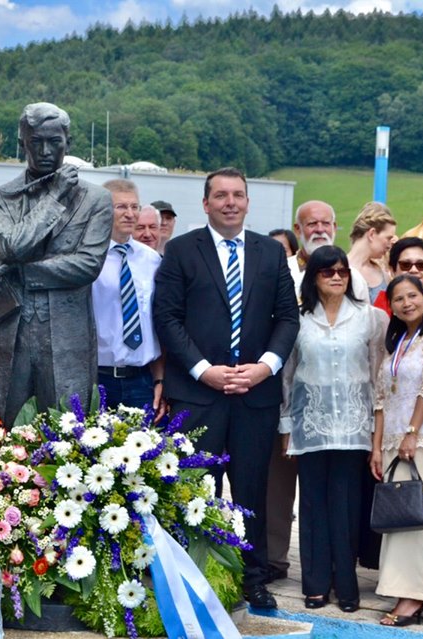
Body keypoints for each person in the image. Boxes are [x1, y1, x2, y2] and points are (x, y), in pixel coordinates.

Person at [154, 166, 300, 608]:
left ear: (248, 202)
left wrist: (265, 368)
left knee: (251, 490)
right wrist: (203, 369)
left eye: (238, 194)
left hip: (255, 394)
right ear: (206, 203)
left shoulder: (269, 254)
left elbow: (287, 318)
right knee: (196, 488)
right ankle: (194, 576)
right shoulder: (180, 250)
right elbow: (167, 317)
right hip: (199, 393)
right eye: (221, 195)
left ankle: (254, 579)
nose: (231, 202)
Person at [0, 102, 112, 425]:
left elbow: (87, 266)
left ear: (68, 143)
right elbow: (9, 246)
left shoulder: (97, 200)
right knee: (1, 439)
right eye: (37, 142)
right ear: (23, 143)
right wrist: (55, 197)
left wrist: (20, 271)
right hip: (10, 333)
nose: (46, 150)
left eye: (55, 142)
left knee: (71, 440)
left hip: (69, 337)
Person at [279, 246, 386, 612]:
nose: (337, 276)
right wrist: (286, 426)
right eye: (328, 272)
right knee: (312, 506)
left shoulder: (370, 318)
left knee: (346, 508)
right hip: (311, 425)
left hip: (355, 427)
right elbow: (288, 377)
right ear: (314, 277)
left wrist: (377, 432)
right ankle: (315, 585)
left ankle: (347, 586)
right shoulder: (298, 320)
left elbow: (378, 376)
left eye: (342, 271)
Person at [371, 274, 423, 626]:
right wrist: (378, 446)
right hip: (394, 442)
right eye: (399, 299)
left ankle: (415, 598)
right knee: (401, 518)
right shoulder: (396, 342)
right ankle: (403, 589)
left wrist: (412, 432)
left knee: (422, 519)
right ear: (392, 307)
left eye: (413, 296)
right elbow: (381, 398)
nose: (407, 303)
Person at [92, 179, 164, 414]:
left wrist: (160, 379)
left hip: (141, 379)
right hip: (97, 378)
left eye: (135, 207)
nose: (130, 214)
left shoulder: (152, 260)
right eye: (121, 207)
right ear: (103, 210)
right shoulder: (89, 259)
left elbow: (159, 323)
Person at [374, 237, 423, 320]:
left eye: (421, 265)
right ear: (392, 270)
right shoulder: (380, 307)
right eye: (405, 265)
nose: (413, 270)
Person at [348, 202, 397, 303]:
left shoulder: (385, 277)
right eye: (388, 238)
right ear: (372, 234)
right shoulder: (337, 272)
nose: (389, 245)